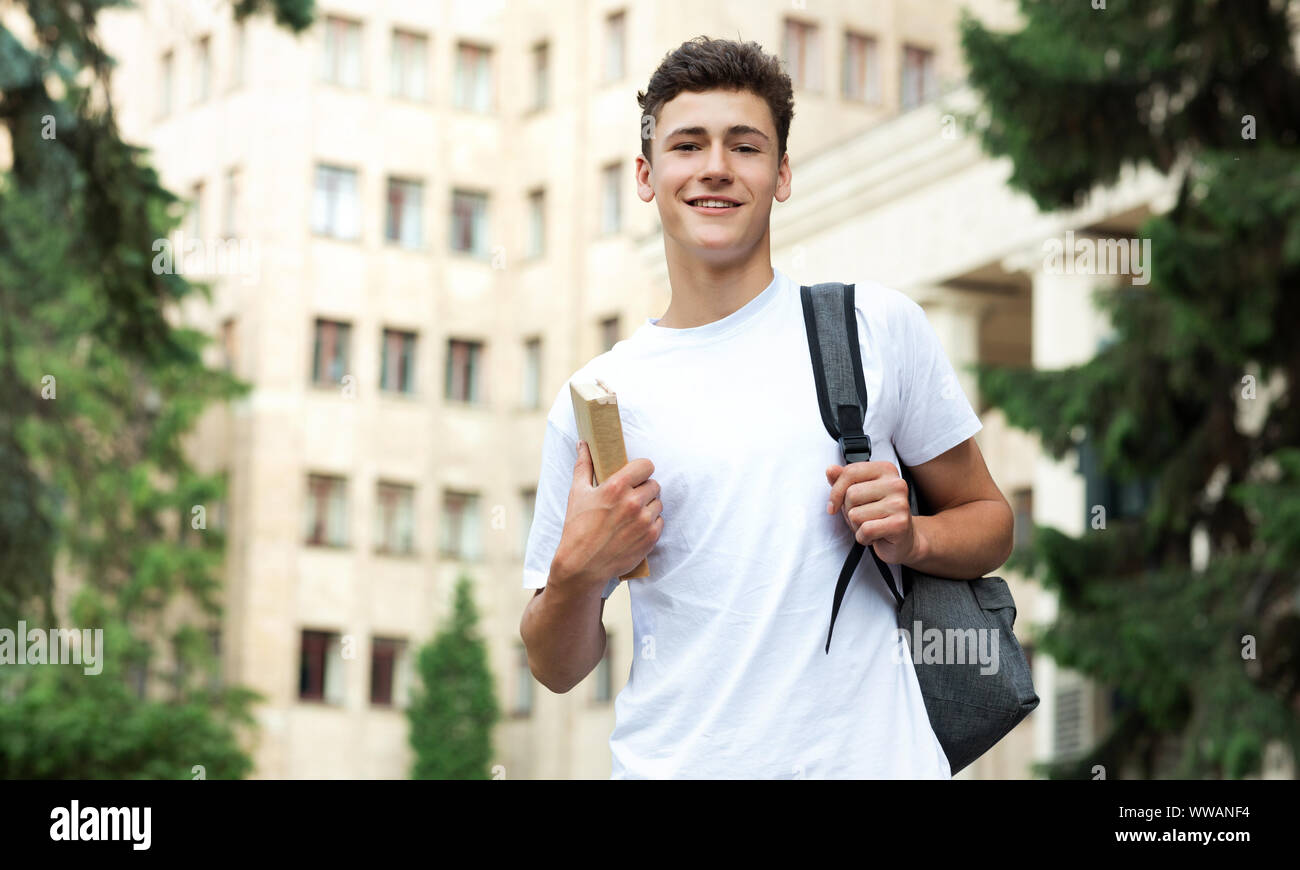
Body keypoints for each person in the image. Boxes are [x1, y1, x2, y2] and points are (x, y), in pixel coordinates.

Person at [518, 35, 1013, 779]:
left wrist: (912, 537)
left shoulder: (874, 328)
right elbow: (556, 670)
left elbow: (992, 523)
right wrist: (578, 575)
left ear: (781, 175)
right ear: (648, 177)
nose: (715, 166)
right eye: (688, 145)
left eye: (743, 146)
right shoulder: (599, 400)